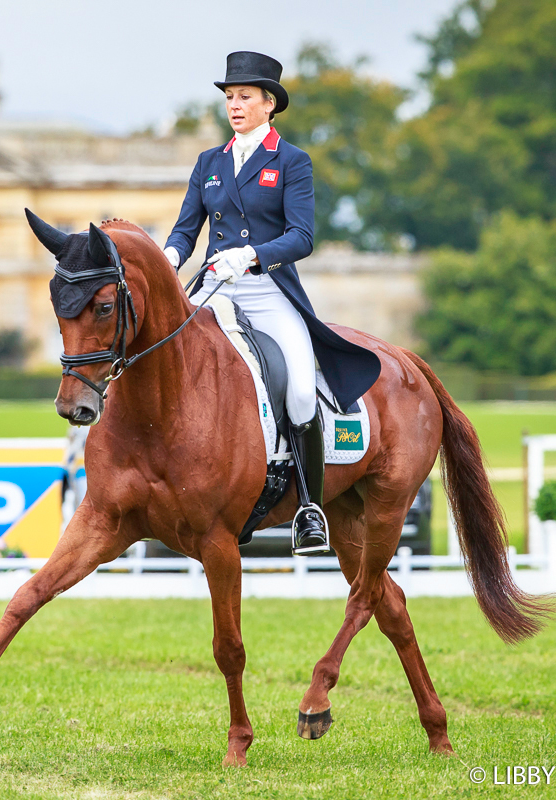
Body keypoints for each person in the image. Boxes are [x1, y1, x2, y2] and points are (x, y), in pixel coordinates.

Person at [163, 51, 381, 555]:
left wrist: (252, 255)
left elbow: (302, 236)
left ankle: (308, 508)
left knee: (302, 391)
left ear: (269, 105)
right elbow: (185, 228)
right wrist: (168, 258)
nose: (234, 106)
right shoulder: (209, 163)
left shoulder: (291, 161)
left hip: (267, 290)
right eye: (229, 98)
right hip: (214, 288)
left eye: (244, 98)